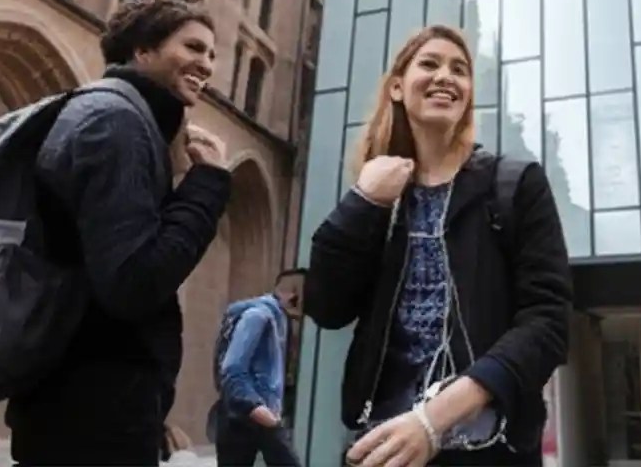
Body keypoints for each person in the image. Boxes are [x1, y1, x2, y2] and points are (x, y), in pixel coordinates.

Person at [305, 25, 573, 467]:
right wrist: (362, 203)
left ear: (468, 94)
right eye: (429, 64)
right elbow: (327, 307)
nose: (445, 76)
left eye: (460, 70)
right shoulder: (379, 193)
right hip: (383, 444)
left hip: (489, 445)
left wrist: (432, 421)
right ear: (396, 87)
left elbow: (548, 322)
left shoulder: (514, 183)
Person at [6, 0, 232, 466]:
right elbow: (135, 282)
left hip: (85, 406)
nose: (206, 65)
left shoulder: (122, 119)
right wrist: (207, 185)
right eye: (193, 47)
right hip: (89, 417)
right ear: (142, 50)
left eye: (211, 54)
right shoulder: (117, 123)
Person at [214, 269, 307, 467]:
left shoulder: (276, 318)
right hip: (250, 416)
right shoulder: (259, 316)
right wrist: (260, 410)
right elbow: (232, 369)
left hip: (251, 415)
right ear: (294, 294)